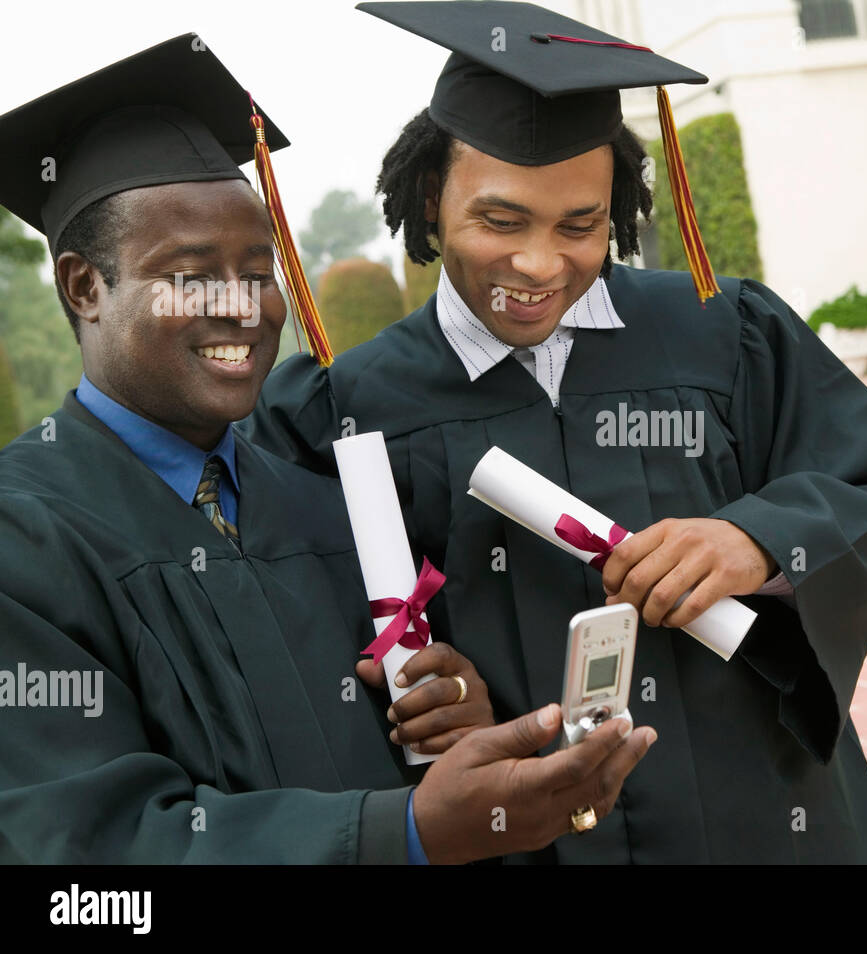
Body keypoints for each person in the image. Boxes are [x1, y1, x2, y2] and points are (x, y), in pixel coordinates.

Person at [247, 1, 867, 863]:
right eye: (500, 219)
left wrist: (760, 539)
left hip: (769, 812)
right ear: (428, 196)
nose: (538, 264)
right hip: (527, 840)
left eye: (580, 224)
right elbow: (303, 625)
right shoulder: (350, 407)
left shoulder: (723, 335)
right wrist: (425, 692)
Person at [0, 34, 653, 864]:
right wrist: (406, 834)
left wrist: (460, 720)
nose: (241, 306)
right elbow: (88, 856)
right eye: (193, 274)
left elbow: (414, 763)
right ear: (85, 287)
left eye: (259, 269)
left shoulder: (323, 505)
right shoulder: (23, 540)